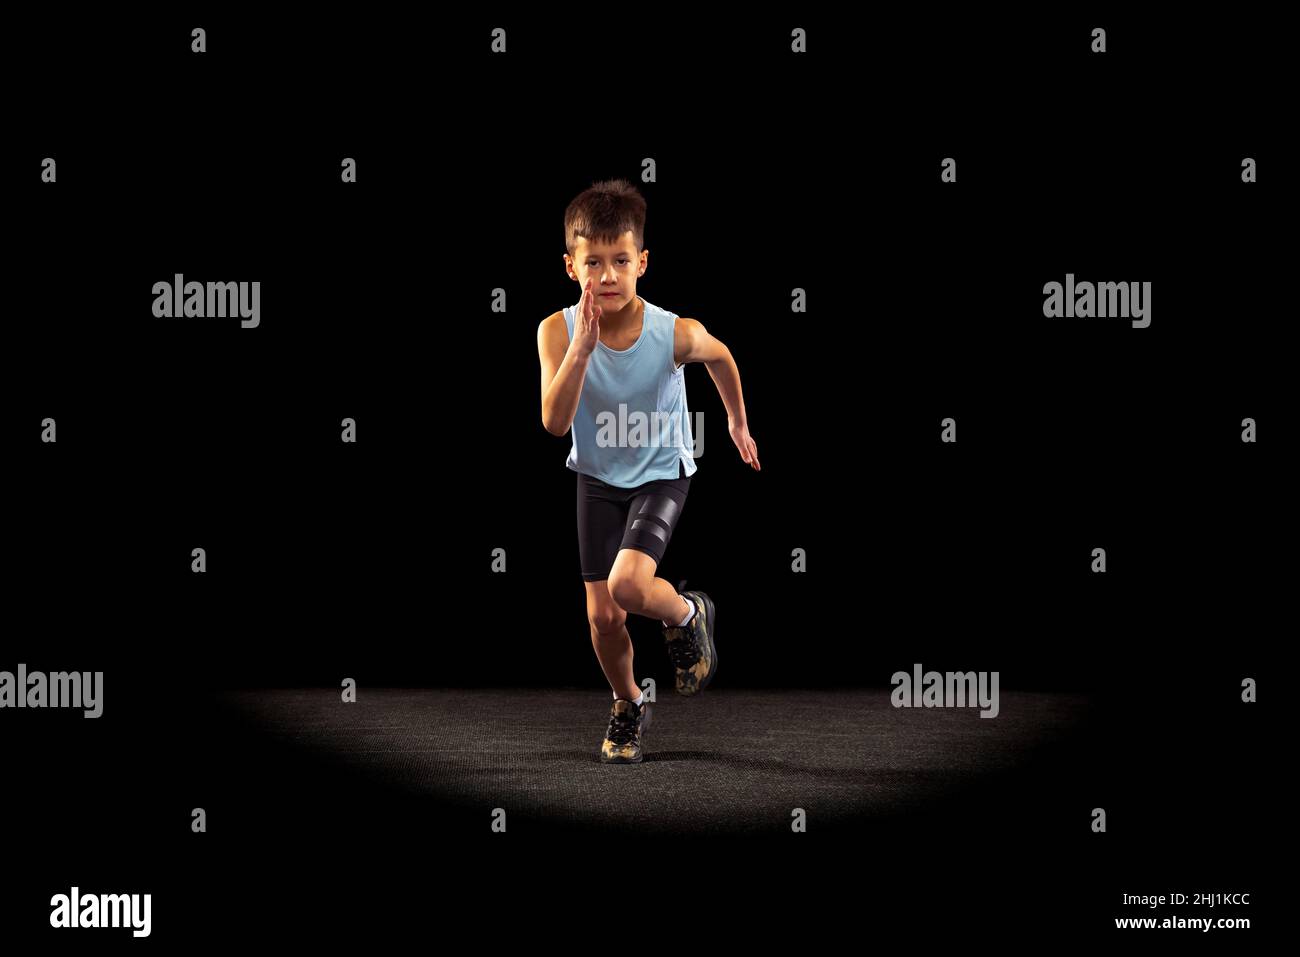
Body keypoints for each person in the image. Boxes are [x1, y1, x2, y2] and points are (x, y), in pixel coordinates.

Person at [536, 178, 761, 764]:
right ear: (570, 266)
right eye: (593, 262)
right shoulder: (556, 332)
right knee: (603, 615)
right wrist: (582, 351)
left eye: (620, 261)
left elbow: (723, 356)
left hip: (661, 471)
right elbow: (556, 423)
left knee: (628, 586)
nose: (607, 276)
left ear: (642, 262)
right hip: (597, 479)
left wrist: (736, 423)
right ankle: (627, 703)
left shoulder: (672, 332)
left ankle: (690, 613)